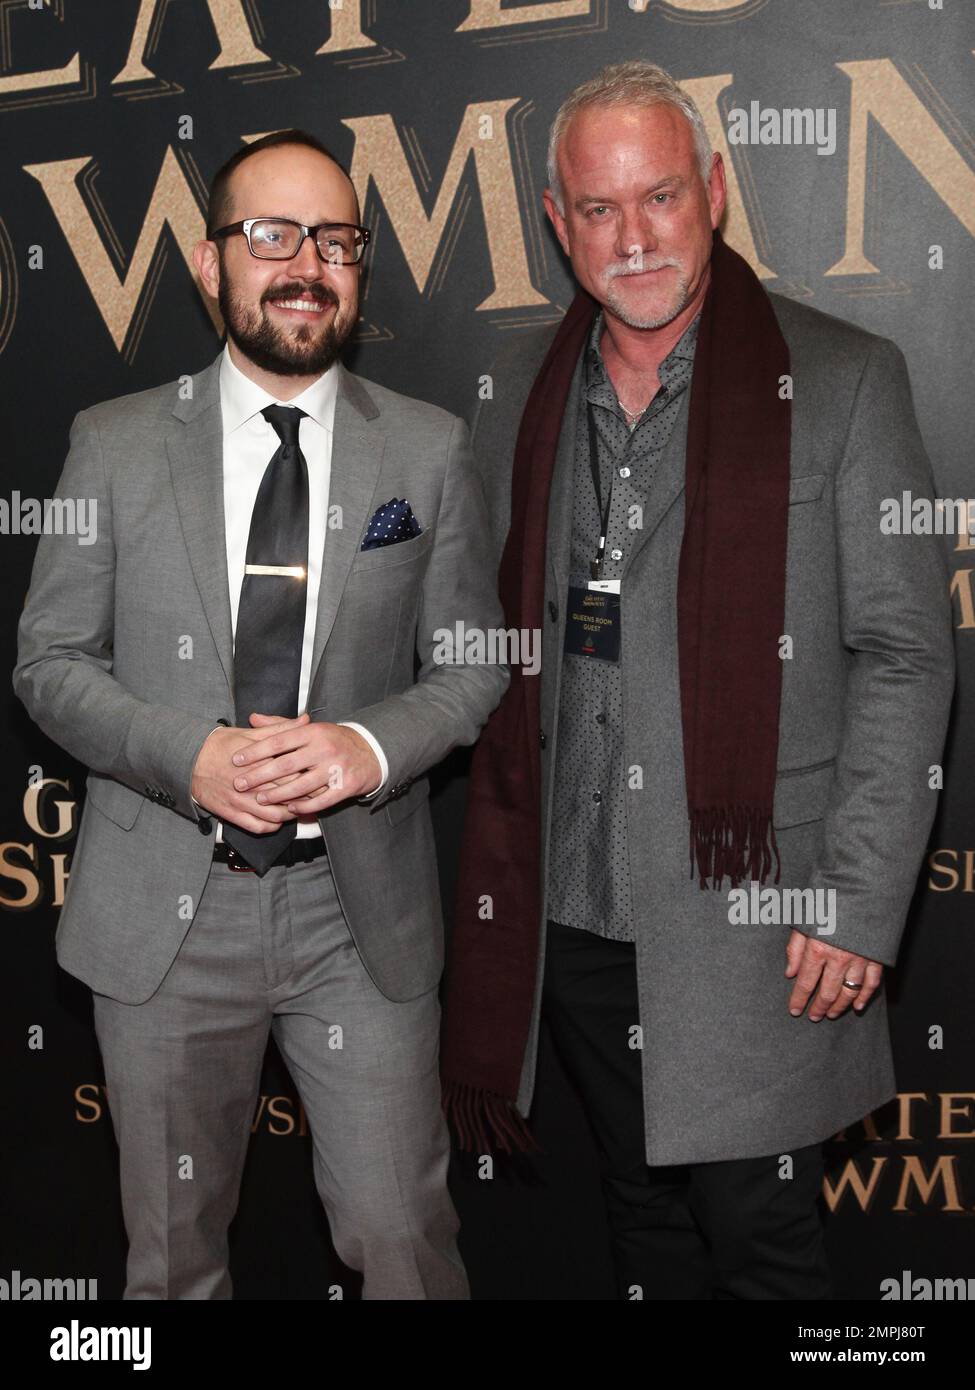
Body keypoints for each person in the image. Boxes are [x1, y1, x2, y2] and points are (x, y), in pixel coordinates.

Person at [441, 62, 955, 1300]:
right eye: (599, 210)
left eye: (660, 197)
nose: (634, 238)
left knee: (764, 1242)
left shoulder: (842, 379)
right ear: (557, 227)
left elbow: (905, 652)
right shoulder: (518, 392)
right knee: (644, 1224)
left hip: (759, 919)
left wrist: (856, 897)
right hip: (575, 907)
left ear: (714, 192)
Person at [13, 129, 506, 1300]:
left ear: (360, 264)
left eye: (336, 240)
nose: (306, 264)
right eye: (271, 234)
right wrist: (191, 759)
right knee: (174, 1262)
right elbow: (49, 663)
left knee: (404, 1246)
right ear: (208, 260)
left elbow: (476, 663)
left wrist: (366, 743)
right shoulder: (115, 444)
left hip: (357, 916)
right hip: (166, 923)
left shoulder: (428, 451)